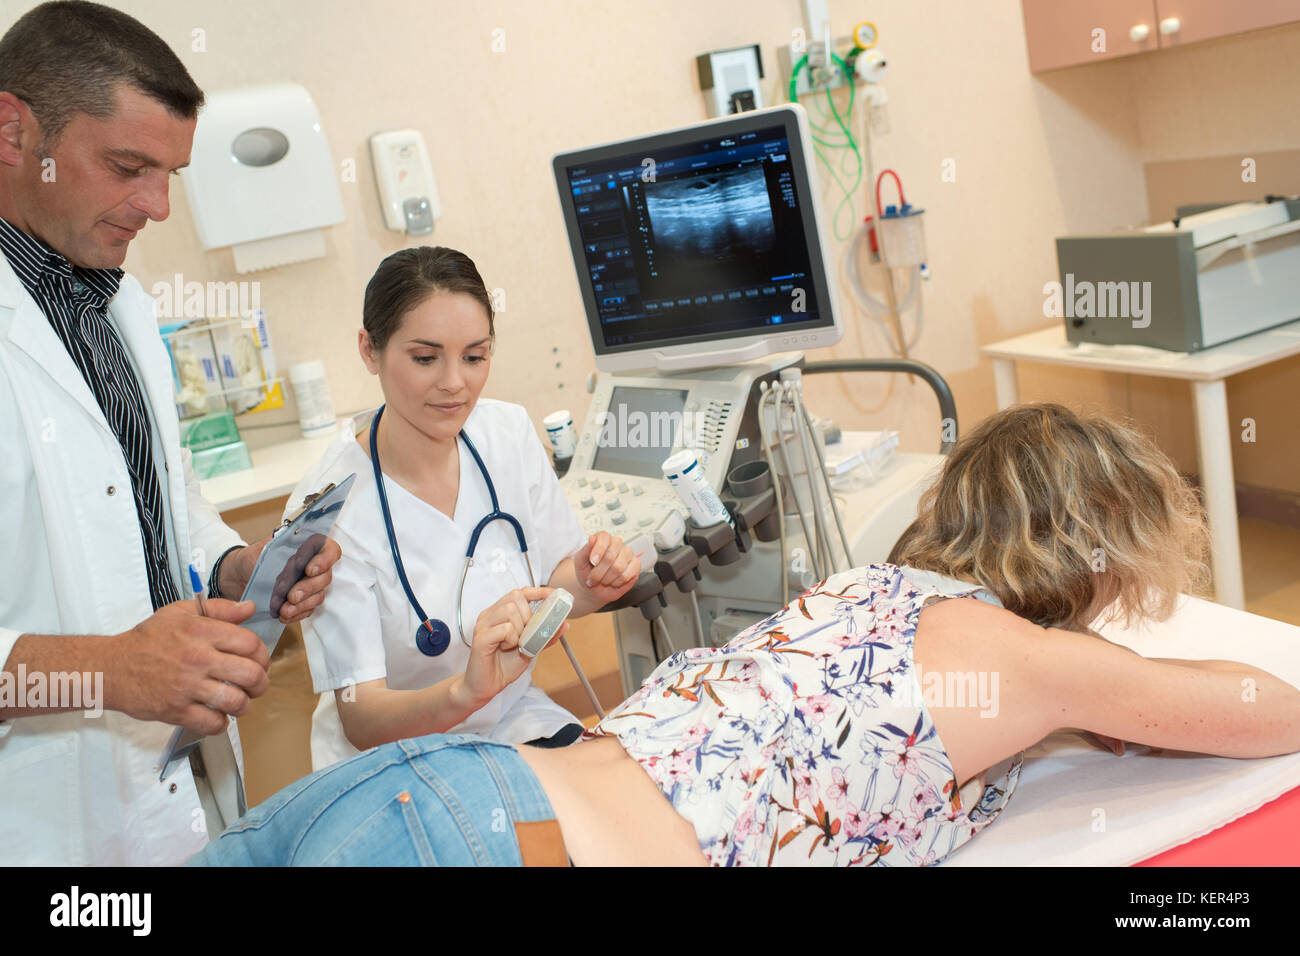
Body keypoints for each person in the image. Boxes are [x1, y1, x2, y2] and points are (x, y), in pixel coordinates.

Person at [194, 402, 1300, 866]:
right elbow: (1270, 710)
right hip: (503, 841)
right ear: (1099, 551)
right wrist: (1110, 682)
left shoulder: (865, 589)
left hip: (435, 784)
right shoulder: (1035, 658)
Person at [0, 1, 340, 865]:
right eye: (127, 166)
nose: (154, 206)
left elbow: (157, 498)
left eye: (170, 175)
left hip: (175, 787)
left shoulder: (116, 300)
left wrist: (237, 568)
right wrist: (110, 672)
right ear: (12, 130)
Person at [285, 246, 640, 770]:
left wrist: (589, 583)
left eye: (475, 357)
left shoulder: (507, 433)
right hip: (396, 760)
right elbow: (362, 718)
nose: (455, 383)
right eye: (425, 358)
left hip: (515, 724)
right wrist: (466, 691)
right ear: (370, 350)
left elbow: (553, 589)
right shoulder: (328, 508)